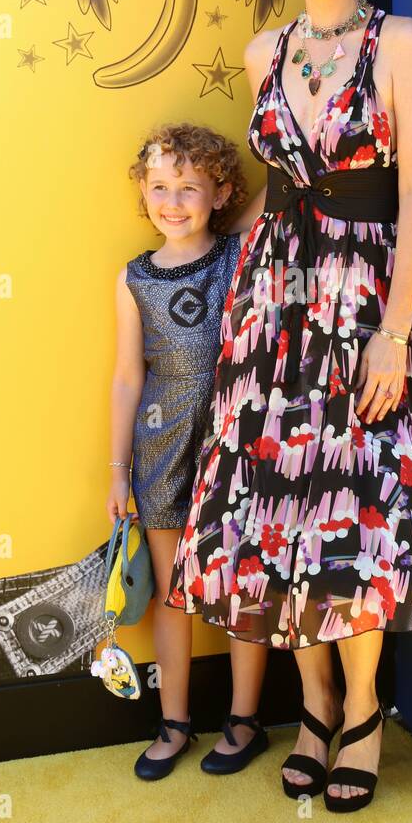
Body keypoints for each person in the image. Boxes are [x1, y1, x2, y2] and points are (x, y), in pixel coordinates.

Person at [164, 0, 412, 813]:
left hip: (366, 303)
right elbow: (280, 189)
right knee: (278, 512)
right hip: (274, 308)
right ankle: (311, 702)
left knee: (357, 511)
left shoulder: (403, 41)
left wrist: (396, 333)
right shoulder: (262, 52)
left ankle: (361, 709)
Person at [107, 122, 253, 780]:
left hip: (231, 436)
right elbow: (127, 376)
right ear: (143, 192)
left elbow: (280, 185)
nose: (172, 200)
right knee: (173, 592)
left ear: (220, 193)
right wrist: (117, 469)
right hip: (161, 446)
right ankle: (174, 720)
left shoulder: (235, 252)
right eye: (160, 186)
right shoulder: (135, 278)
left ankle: (246, 718)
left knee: (237, 581)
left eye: (189, 187)